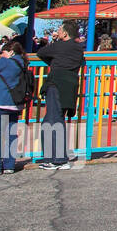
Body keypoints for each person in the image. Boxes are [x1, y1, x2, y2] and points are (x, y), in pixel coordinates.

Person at [35, 21, 84, 170]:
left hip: (56, 83)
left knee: (52, 120)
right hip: (70, 85)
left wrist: (53, 61)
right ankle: (57, 157)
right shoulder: (78, 48)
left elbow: (41, 53)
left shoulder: (59, 46)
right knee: (58, 118)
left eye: (60, 30)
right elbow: (82, 62)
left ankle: (57, 159)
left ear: (65, 33)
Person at [0, 39, 27, 174]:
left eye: (3, 52)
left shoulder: (5, 62)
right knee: (10, 135)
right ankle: (9, 165)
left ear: (11, 52)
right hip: (13, 105)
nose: (1, 55)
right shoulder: (22, 63)